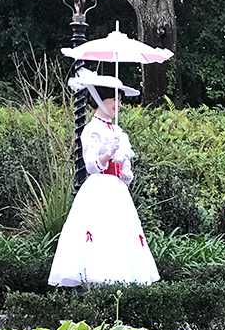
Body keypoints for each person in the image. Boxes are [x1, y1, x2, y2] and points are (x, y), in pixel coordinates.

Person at [48, 68, 160, 288]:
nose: (118, 105)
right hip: (99, 189)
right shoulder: (92, 130)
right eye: (114, 99)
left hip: (117, 190)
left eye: (119, 100)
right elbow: (91, 165)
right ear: (101, 99)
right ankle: (97, 287)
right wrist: (109, 153)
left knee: (120, 234)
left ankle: (116, 289)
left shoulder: (117, 130)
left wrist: (125, 168)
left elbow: (125, 166)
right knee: (98, 234)